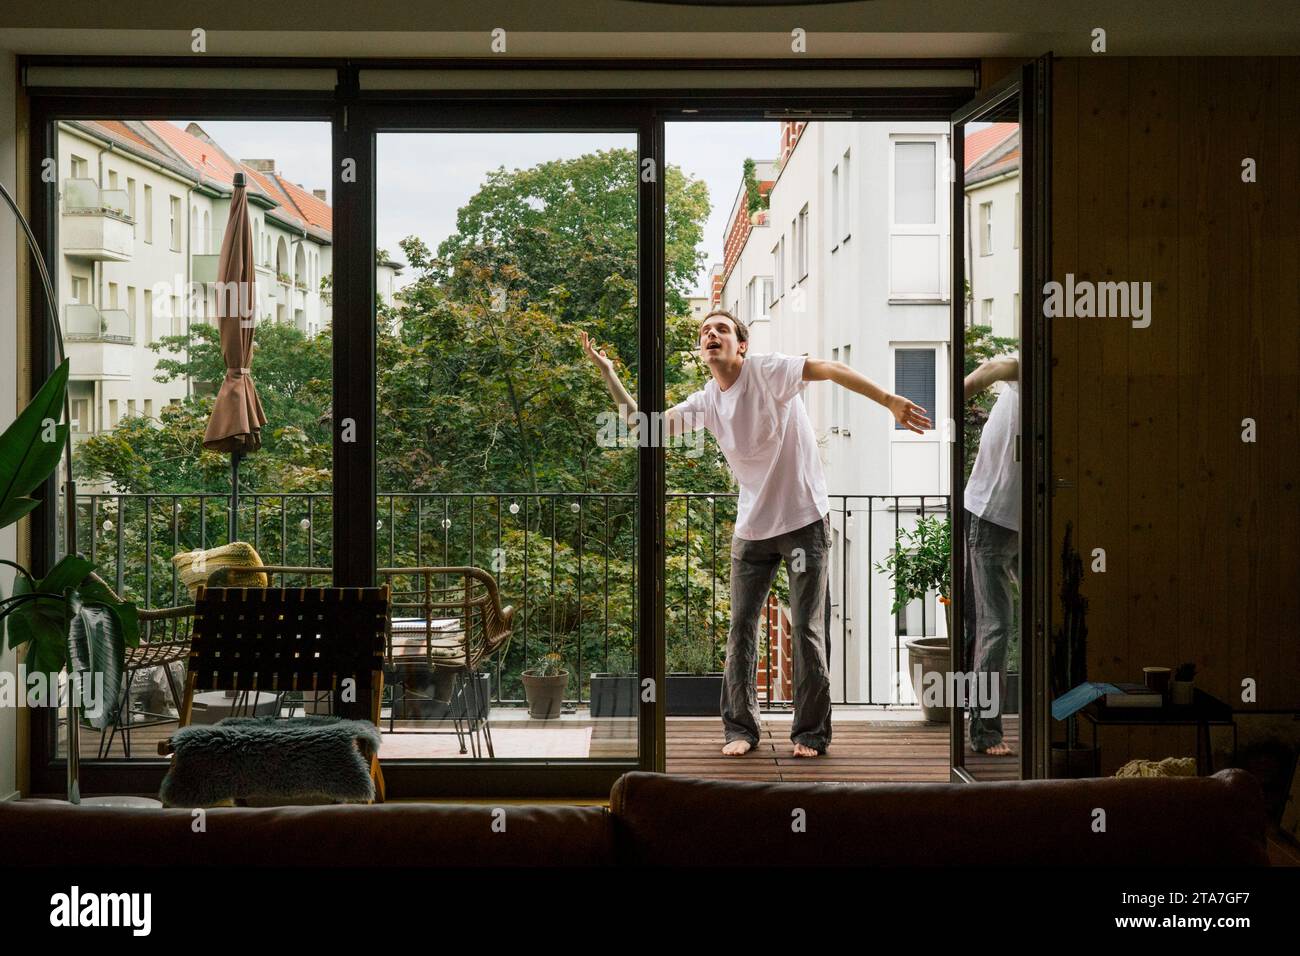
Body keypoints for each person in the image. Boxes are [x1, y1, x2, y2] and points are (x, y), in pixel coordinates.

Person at [581, 310, 930, 757]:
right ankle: (741, 731)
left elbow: (831, 368)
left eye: (721, 329)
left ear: (740, 345)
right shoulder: (708, 399)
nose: (711, 334)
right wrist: (608, 372)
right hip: (752, 529)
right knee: (741, 628)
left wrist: (889, 400)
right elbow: (642, 426)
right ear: (702, 349)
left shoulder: (769, 371)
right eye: (705, 330)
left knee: (805, 629)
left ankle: (809, 734)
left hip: (804, 520)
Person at [962, 355, 1020, 756]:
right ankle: (985, 732)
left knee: (1006, 625)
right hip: (993, 516)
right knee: (995, 626)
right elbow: (993, 368)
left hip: (1029, 519)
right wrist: (952, 398)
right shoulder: (1029, 365)